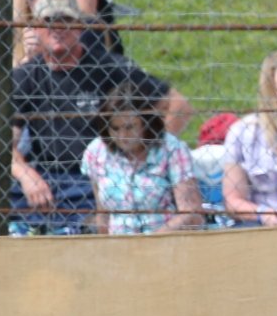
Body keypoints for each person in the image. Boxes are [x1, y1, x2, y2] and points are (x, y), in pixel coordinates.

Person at [10, 0, 185, 233]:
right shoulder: (25, 76)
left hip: (101, 174)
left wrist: (149, 154)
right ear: (36, 28)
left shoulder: (108, 67)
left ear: (80, 27)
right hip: (46, 176)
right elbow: (4, 145)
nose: (57, 28)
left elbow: (179, 106)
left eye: (66, 20)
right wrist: (27, 175)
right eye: (49, 20)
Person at [81, 81, 203, 234]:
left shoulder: (172, 149)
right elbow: (103, 214)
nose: (122, 136)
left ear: (146, 123)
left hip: (165, 242)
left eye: (129, 127)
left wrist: (150, 243)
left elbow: (191, 213)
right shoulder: (97, 151)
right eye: (115, 128)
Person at [222, 50, 277, 226]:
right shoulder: (242, 132)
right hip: (260, 222)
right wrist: (264, 214)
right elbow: (233, 200)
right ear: (270, 82)